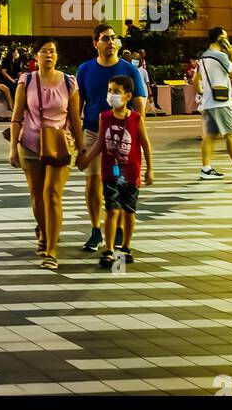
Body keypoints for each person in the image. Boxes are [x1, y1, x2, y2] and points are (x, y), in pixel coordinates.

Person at [9, 39, 86, 271]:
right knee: (37, 194)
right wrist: (13, 146)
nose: (49, 55)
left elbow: (75, 119)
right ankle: (43, 231)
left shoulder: (68, 82)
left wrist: (82, 150)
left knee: (52, 193)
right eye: (44, 51)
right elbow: (17, 116)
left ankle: (51, 250)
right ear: (36, 56)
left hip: (61, 145)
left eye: (53, 51)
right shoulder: (27, 80)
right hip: (31, 144)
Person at [75, 24, 148, 251]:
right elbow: (77, 106)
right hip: (92, 130)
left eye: (113, 38)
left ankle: (117, 229)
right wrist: (75, 137)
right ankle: (96, 229)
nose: (110, 42)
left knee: (118, 181)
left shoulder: (130, 70)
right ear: (95, 43)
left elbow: (139, 106)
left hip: (121, 136)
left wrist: (134, 133)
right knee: (93, 180)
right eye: (105, 38)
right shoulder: (85, 70)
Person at [80, 75, 153, 267]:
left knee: (129, 212)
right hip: (110, 173)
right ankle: (110, 250)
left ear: (128, 96)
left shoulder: (137, 119)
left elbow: (145, 144)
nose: (112, 95)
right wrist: (86, 159)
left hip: (131, 173)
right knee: (112, 210)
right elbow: (99, 143)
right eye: (110, 91)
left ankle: (125, 248)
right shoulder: (104, 117)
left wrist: (149, 169)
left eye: (116, 92)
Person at [195, 27, 232, 180]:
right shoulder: (221, 56)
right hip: (222, 102)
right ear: (221, 38)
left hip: (208, 102)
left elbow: (196, 80)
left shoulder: (204, 57)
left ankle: (206, 168)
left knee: (210, 135)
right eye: (226, 37)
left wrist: (202, 91)